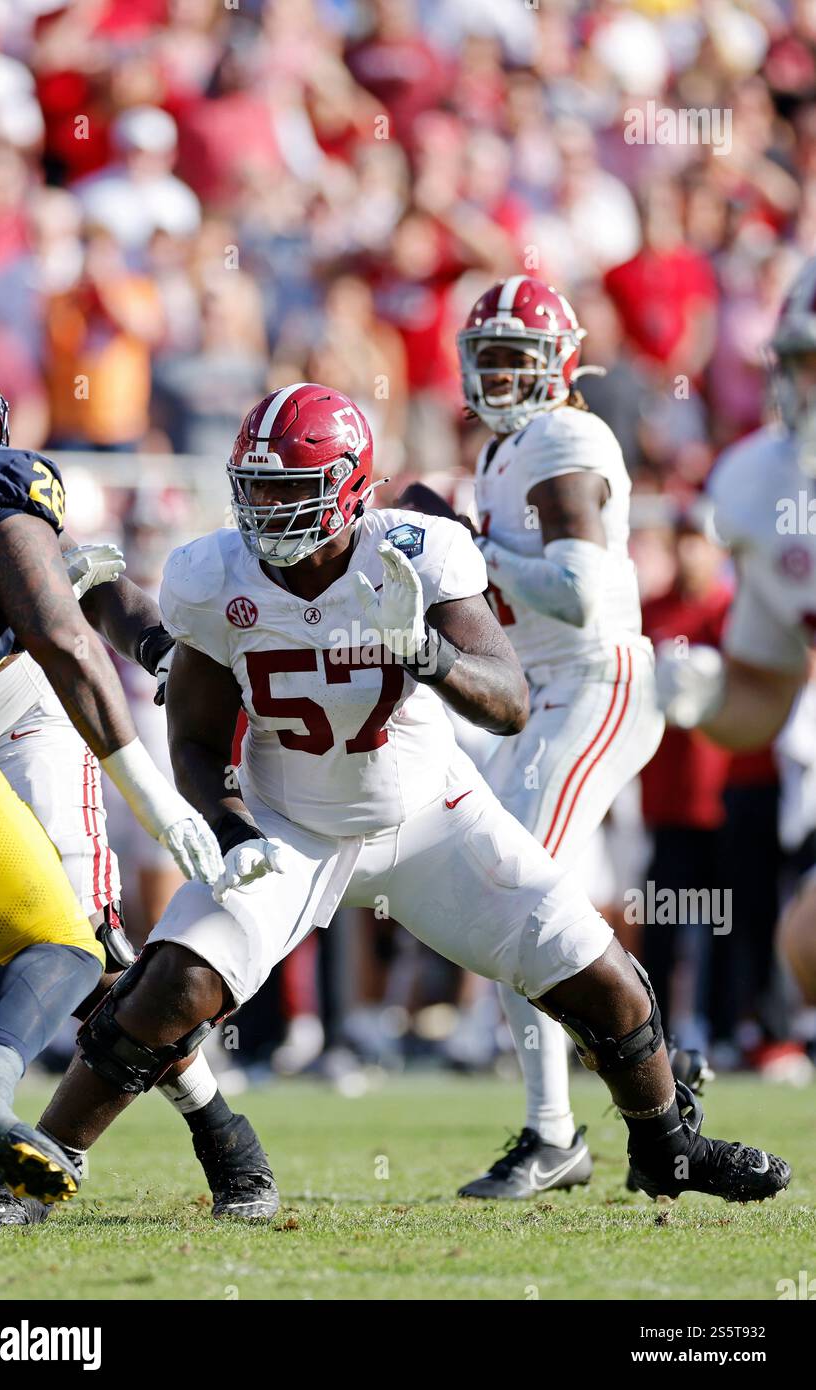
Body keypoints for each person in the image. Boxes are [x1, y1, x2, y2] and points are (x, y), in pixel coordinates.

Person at [18, 382, 789, 1211]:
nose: (267, 508)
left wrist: (426, 652)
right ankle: (36, 1168)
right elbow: (198, 740)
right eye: (257, 486)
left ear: (349, 486)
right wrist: (232, 826)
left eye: (290, 488)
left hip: (429, 816)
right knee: (171, 986)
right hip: (293, 822)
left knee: (605, 981)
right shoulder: (212, 574)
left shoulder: (416, 553)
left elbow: (509, 698)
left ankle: (667, 1149)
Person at [0, 337, 225, 1203]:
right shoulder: (4, 480)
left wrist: (163, 653)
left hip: (25, 706)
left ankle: (216, 1124)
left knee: (97, 944)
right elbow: (71, 614)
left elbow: (87, 589)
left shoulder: (6, 505)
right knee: (62, 947)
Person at [445, 276, 664, 1200]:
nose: (497, 374)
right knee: (512, 890)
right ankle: (652, 1055)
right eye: (485, 356)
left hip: (593, 680)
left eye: (513, 357)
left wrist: (472, 547)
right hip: (549, 691)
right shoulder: (510, 446)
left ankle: (556, 1132)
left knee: (519, 885)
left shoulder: (564, 437)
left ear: (558, 364)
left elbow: (576, 589)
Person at [655, 256, 816, 1013]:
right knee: (807, 945)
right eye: (806, 364)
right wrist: (711, 692)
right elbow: (765, 688)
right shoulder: (764, 485)